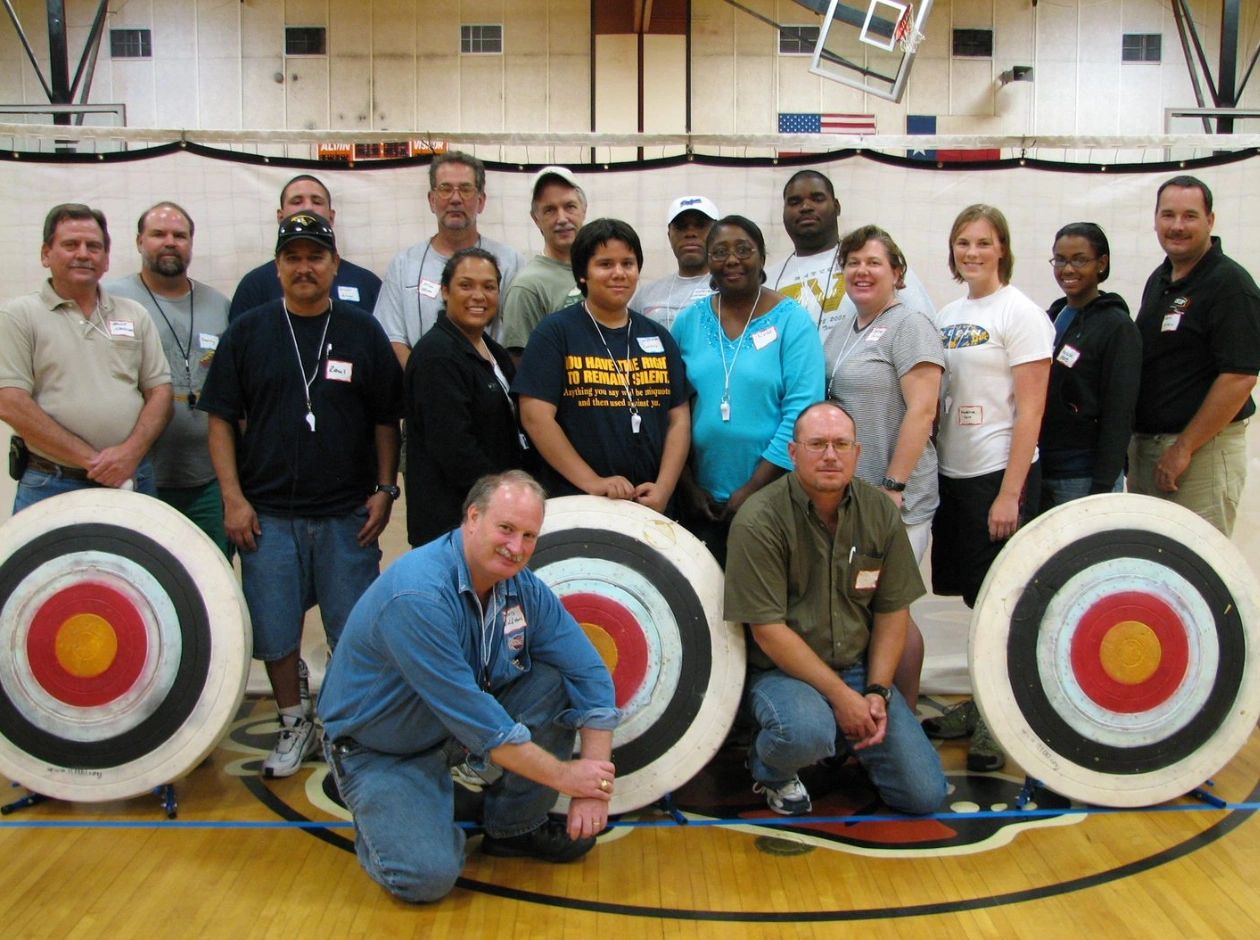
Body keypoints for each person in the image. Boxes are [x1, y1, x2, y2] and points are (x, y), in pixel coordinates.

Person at [318, 471, 619, 904]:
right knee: (426, 878)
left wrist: (594, 783)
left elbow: (589, 674)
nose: (517, 547)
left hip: (451, 733)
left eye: (529, 536)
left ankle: (513, 828)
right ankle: (380, 796)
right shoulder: (418, 595)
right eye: (506, 529)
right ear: (472, 518)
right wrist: (568, 778)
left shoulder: (522, 586)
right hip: (381, 748)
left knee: (554, 680)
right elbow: (481, 724)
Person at [199, 212, 403, 779]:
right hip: (266, 514)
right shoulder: (249, 332)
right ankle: (293, 720)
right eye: (293, 257)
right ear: (278, 266)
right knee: (275, 627)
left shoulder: (362, 331)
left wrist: (386, 489)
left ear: (335, 265)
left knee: (353, 629)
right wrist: (233, 498)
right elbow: (219, 420)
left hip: (347, 514)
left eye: (316, 256)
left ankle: (342, 725)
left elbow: (387, 420)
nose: (305, 267)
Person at [724, 401, 947, 817]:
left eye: (841, 444)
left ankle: (846, 738)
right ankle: (768, 766)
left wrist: (877, 691)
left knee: (924, 796)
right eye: (817, 444)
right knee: (805, 732)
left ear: (857, 453)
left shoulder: (879, 511)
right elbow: (768, 631)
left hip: (858, 669)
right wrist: (843, 697)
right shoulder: (759, 519)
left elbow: (892, 612)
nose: (830, 455)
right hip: (781, 674)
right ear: (793, 453)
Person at [925, 205, 1053, 772]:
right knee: (978, 601)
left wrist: (1009, 492)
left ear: (1002, 248)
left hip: (998, 475)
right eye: (963, 242)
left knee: (1003, 603)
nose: (972, 252)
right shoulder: (949, 313)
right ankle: (981, 703)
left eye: (983, 242)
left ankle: (1000, 722)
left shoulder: (1021, 313)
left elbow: (1032, 411)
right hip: (953, 476)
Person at [826, 225, 943, 711]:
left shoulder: (910, 324)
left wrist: (893, 485)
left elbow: (923, 410)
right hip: (855, 498)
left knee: (890, 610)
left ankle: (906, 716)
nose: (862, 271)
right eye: (853, 262)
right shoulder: (842, 330)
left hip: (897, 499)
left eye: (873, 262)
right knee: (868, 609)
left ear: (897, 272)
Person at [671, 215, 824, 564]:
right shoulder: (688, 321)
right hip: (701, 500)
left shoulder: (792, 321)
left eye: (743, 249)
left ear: (762, 257)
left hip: (775, 495)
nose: (732, 260)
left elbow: (802, 412)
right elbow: (672, 407)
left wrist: (754, 488)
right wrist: (688, 486)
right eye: (719, 251)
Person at [0, 204, 172, 513]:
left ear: (105, 259)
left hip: (133, 476)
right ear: (45, 254)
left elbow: (160, 392)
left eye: (93, 246)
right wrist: (93, 462)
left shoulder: (134, 314)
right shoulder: (18, 316)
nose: (83, 254)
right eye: (70, 244)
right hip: (51, 483)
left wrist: (129, 454)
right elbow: (10, 402)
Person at [514, 218, 691, 514]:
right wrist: (593, 482)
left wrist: (664, 487)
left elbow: (679, 418)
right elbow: (535, 417)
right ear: (583, 273)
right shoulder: (555, 333)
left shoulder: (658, 336)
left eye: (628, 263)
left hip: (652, 505)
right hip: (580, 504)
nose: (619, 273)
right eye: (605, 264)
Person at [1128, 176, 1260, 536]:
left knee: (1197, 562)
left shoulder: (1230, 284)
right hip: (1150, 450)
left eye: (1190, 216)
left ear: (1210, 221)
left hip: (1199, 456)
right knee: (1151, 561)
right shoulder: (1160, 279)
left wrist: (1184, 448)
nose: (1177, 226)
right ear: (1155, 220)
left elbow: (1240, 377)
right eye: (1168, 215)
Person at [104, 201, 232, 554]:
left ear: (191, 243)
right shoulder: (110, 299)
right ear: (139, 241)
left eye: (180, 235)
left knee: (210, 571)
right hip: (137, 476)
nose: (170, 242)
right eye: (158, 234)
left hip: (208, 481)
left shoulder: (219, 305)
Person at [404, 247, 530, 547]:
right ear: (445, 291)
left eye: (489, 287)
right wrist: (505, 500)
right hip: (453, 524)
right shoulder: (436, 356)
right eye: (466, 285)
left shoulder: (493, 350)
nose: (478, 296)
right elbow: (455, 449)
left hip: (491, 514)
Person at [374, 152, 524, 367]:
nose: (455, 199)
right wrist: (424, 379)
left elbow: (517, 338)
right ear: (432, 200)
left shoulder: (510, 262)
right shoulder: (404, 264)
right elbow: (391, 336)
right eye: (445, 189)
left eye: (465, 189)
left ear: (481, 201)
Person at [764, 169, 935, 346]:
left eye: (817, 198)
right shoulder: (767, 281)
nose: (806, 207)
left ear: (837, 207)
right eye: (794, 202)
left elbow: (925, 331)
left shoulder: (878, 265)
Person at [1038, 222, 1141, 511]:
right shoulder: (1051, 317)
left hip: (1084, 476)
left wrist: (1102, 486)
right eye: (1060, 259)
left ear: (1101, 264)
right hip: (1043, 469)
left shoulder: (1117, 327)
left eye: (1080, 260)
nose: (1068, 269)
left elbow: (1120, 412)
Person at [229, 174, 381, 320]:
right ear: (280, 216)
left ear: (331, 216)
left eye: (317, 202)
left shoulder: (368, 284)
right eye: (296, 202)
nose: (308, 208)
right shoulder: (254, 286)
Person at [500, 166, 588, 359]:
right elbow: (520, 365)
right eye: (550, 210)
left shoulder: (600, 272)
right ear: (536, 219)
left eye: (570, 206)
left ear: (584, 210)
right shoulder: (526, 287)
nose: (562, 219)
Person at [632, 195, 718, 329]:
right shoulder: (646, 296)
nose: (690, 233)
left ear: (717, 233)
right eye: (681, 227)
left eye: (700, 225)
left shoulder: (731, 290)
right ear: (669, 235)